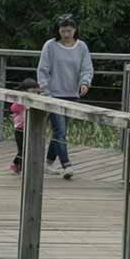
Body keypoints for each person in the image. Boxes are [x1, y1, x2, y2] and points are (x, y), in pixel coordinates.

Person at [37, 14, 93, 179]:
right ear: (58, 30)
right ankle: (67, 165)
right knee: (60, 131)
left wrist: (85, 83)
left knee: (59, 132)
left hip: (72, 95)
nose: (66, 34)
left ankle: (47, 163)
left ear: (75, 30)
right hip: (54, 95)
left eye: (69, 31)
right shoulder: (50, 45)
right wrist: (46, 92)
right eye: (63, 31)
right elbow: (43, 70)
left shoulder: (82, 47)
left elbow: (87, 68)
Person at [8, 77, 40, 175]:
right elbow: (13, 108)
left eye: (35, 92)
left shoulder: (36, 102)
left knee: (28, 148)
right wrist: (22, 102)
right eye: (31, 91)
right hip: (20, 129)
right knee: (22, 149)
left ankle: (19, 165)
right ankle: (17, 165)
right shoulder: (19, 102)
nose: (33, 94)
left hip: (30, 128)